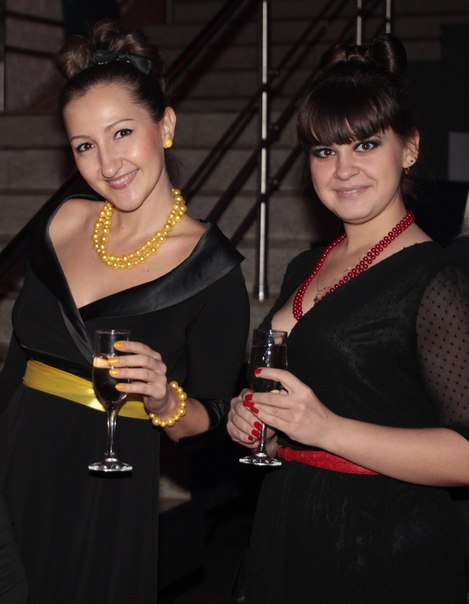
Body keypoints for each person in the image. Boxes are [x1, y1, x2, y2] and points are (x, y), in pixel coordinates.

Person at [0, 20, 249, 604]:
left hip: (106, 489)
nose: (107, 163)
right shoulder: (60, 222)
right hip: (15, 460)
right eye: (85, 145)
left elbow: (214, 421)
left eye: (122, 133)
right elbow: (17, 366)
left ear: (166, 126)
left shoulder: (213, 269)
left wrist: (166, 401)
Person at [228, 33, 469, 603]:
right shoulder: (305, 266)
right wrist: (260, 422)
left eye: (365, 144)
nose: (343, 170)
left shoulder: (435, 277)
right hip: (290, 518)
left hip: (382, 541)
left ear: (409, 149)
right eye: (324, 151)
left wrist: (325, 428)